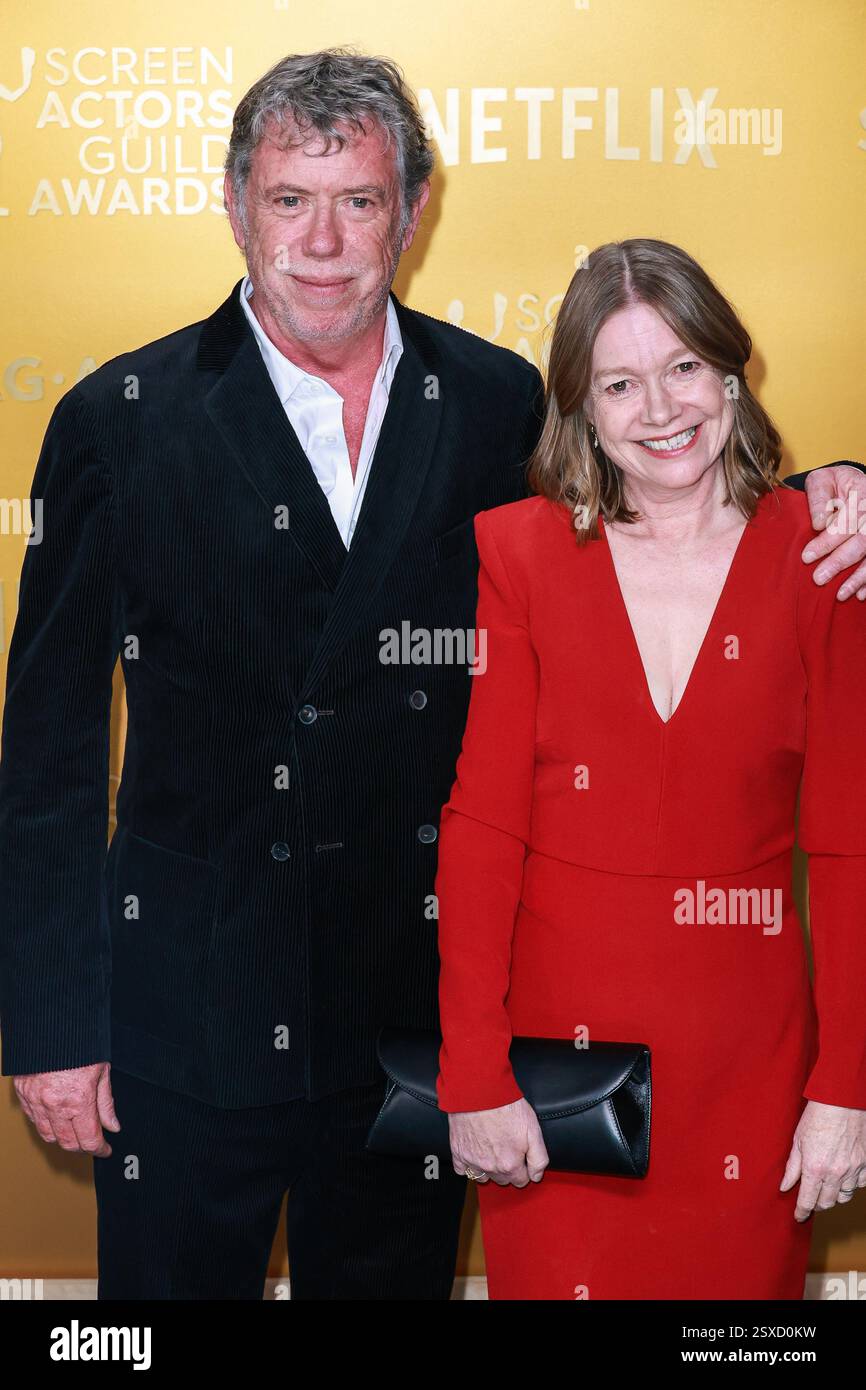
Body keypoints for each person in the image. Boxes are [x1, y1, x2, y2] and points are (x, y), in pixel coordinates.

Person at [0, 47, 863, 1301]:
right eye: (290, 198)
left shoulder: (494, 400)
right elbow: (49, 756)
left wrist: (826, 494)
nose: (324, 240)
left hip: (413, 1030)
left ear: (412, 212)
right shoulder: (117, 418)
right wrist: (59, 1025)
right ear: (235, 203)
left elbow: (658, 490)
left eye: (359, 200)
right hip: (183, 1022)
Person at [435, 237, 866, 1300]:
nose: (659, 408)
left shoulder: (822, 555)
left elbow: (851, 846)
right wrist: (472, 1073)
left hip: (749, 1073)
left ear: (729, 370)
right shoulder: (519, 554)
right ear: (580, 406)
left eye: (682, 367)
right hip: (556, 1081)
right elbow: (481, 826)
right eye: (617, 382)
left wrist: (845, 1086)